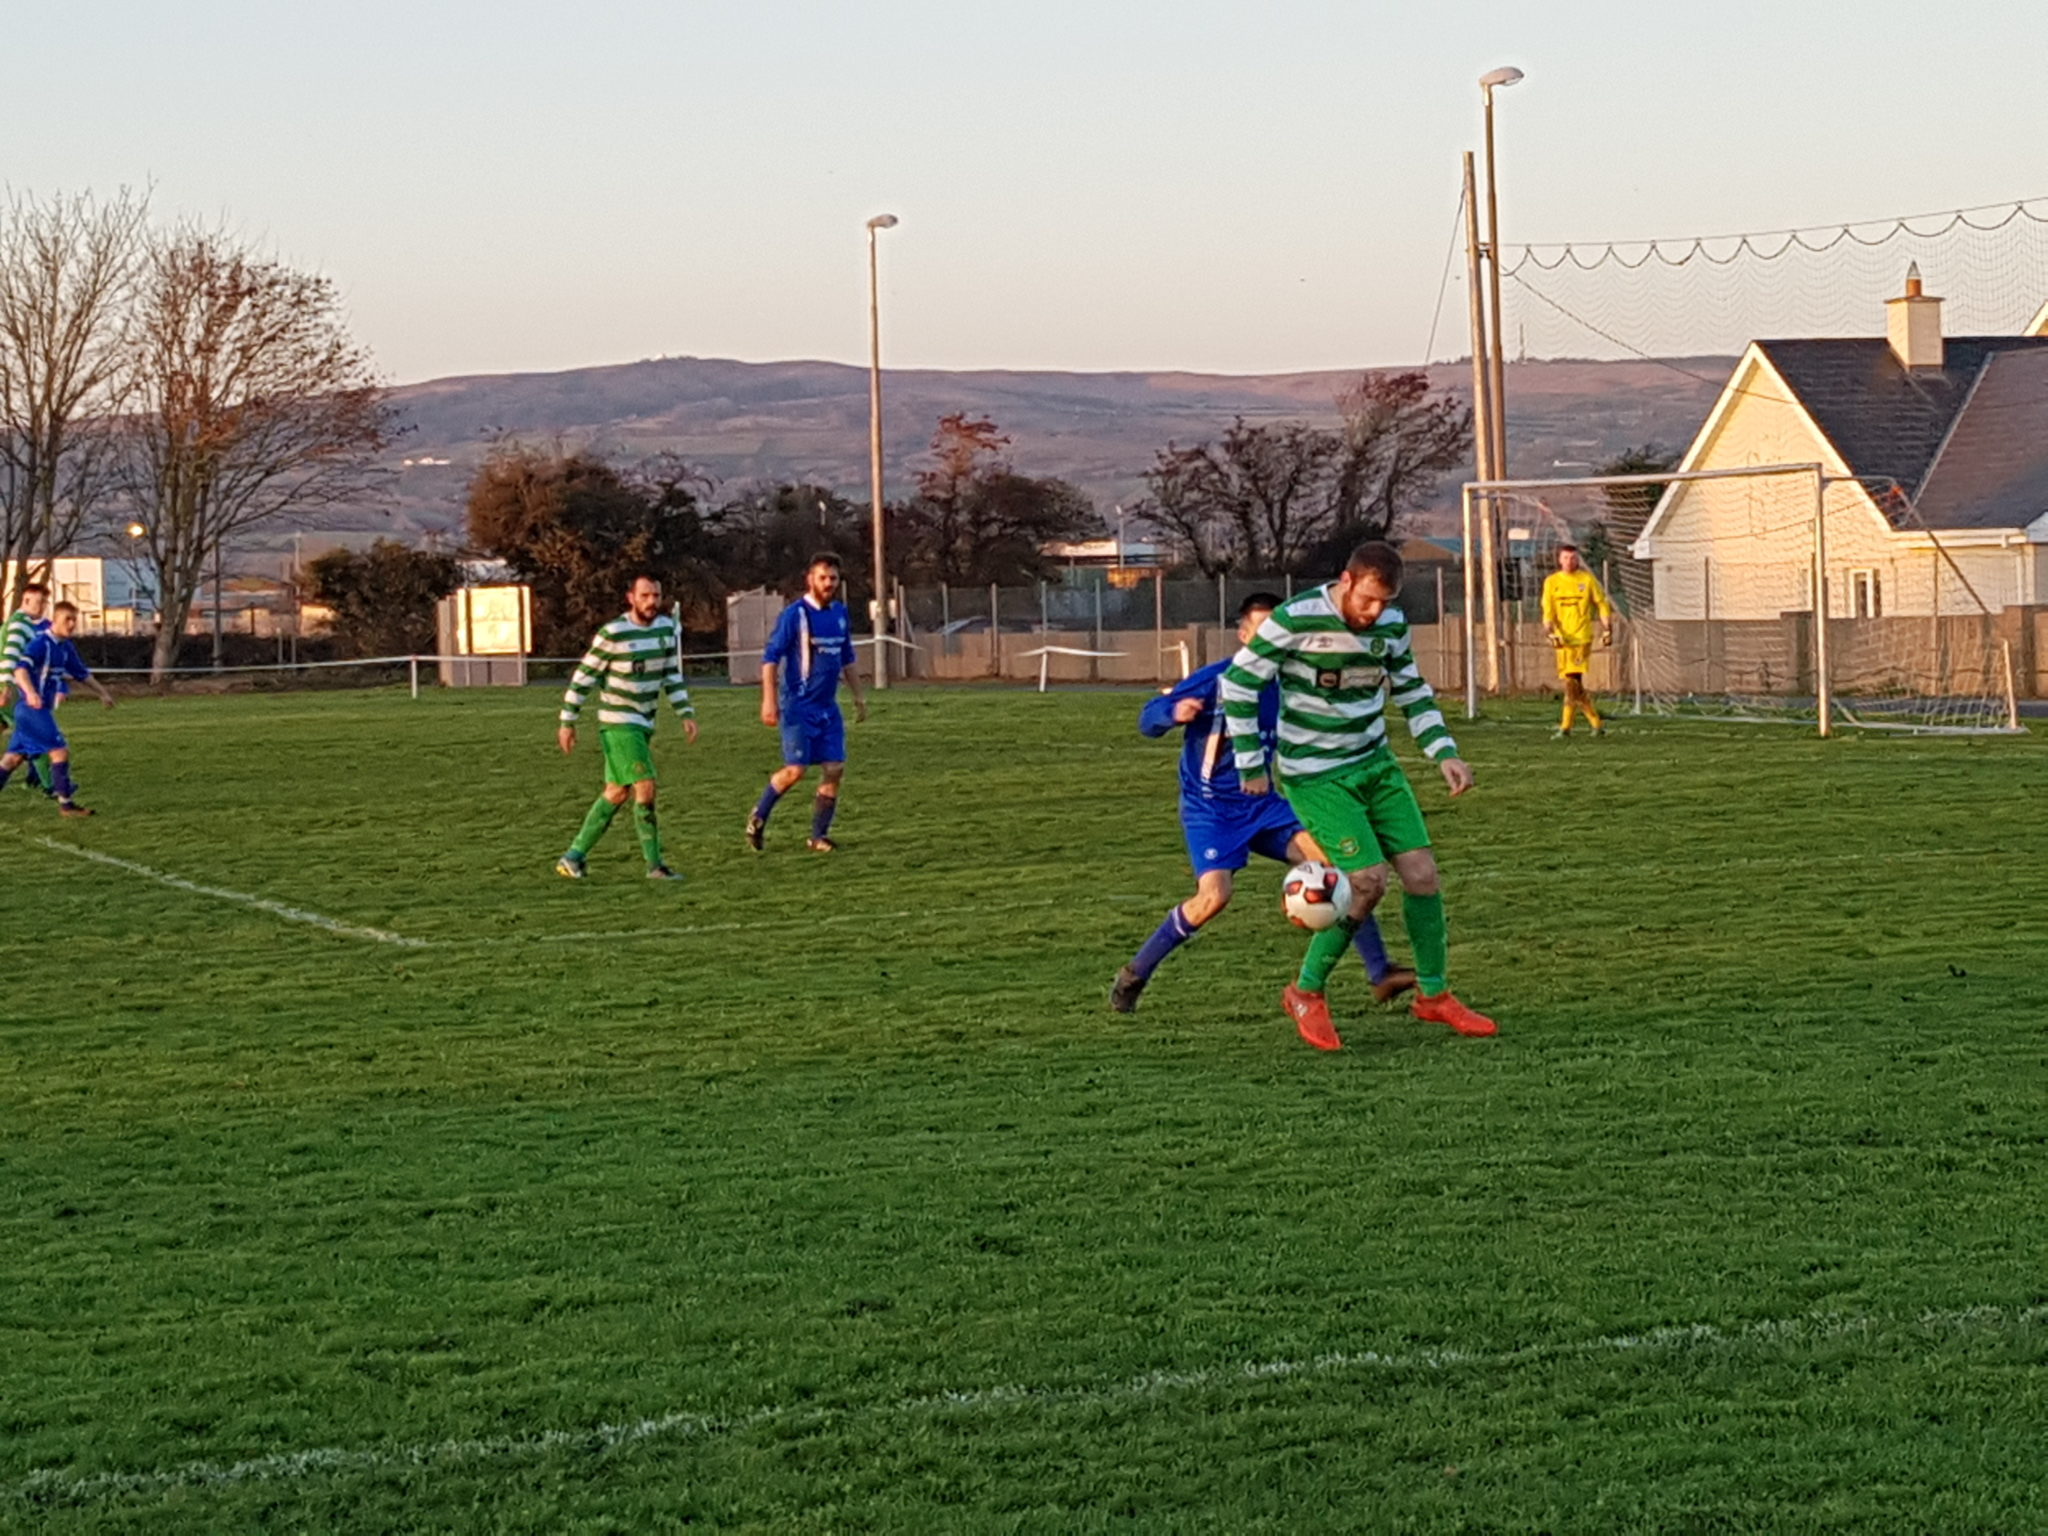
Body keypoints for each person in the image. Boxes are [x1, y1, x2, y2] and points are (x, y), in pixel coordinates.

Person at [1220, 540, 1497, 1051]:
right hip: (1317, 776)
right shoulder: (1295, 618)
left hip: (1376, 765)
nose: (1374, 613)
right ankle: (1305, 991)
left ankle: (1433, 996)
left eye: (1384, 603)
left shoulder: (1391, 625)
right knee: (1366, 883)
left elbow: (1413, 692)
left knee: (1422, 874)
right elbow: (1237, 684)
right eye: (1367, 600)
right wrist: (1250, 763)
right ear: (1346, 581)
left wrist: (1445, 753)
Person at [1112, 592, 1415, 1014]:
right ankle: (1135, 974)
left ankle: (1380, 972)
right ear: (1243, 635)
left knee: (1340, 869)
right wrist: (1172, 712)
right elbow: (1149, 717)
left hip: (1264, 805)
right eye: (1262, 629)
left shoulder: (1288, 684)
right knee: (1213, 897)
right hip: (1212, 810)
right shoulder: (1218, 679)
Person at [555, 574, 697, 881]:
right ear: (630, 598)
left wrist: (685, 711)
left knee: (616, 793)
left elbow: (671, 674)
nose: (651, 602)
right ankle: (655, 866)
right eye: (645, 596)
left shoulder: (665, 630)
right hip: (619, 722)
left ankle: (573, 857)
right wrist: (568, 720)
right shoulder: (614, 633)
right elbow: (584, 676)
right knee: (645, 786)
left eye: (656, 596)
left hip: (644, 722)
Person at [746, 552, 867, 853]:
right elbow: (770, 659)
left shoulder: (839, 614)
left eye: (833, 578)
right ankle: (759, 816)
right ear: (810, 579)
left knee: (835, 768)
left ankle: (818, 836)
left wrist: (858, 697)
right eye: (823, 577)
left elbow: (847, 659)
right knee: (795, 771)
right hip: (799, 707)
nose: (828, 583)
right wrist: (768, 701)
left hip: (828, 708)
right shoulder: (795, 615)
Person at [1, 600, 114, 816]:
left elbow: (82, 673)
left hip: (35, 710)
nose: (71, 624)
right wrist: (31, 693)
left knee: (13, 758)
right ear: (55, 619)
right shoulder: (41, 643)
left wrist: (103, 693)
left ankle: (66, 802)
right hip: (32, 709)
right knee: (59, 751)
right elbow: (20, 670)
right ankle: (66, 805)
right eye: (67, 619)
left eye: (74, 620)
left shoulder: (65, 647)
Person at [1541, 543, 1615, 737]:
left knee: (1572, 682)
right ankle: (1596, 725)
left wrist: (1607, 627)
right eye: (1565, 558)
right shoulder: (1552, 582)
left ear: (1578, 559)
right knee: (1573, 685)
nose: (1569, 561)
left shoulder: (1587, 580)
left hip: (1581, 638)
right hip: (1562, 640)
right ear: (1559, 559)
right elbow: (1548, 612)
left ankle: (1566, 727)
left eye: (1573, 558)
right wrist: (1550, 632)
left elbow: (1601, 603)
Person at [1, 582, 55, 797]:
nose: (41, 607)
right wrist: (5, 687)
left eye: (44, 603)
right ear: (25, 600)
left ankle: (38, 781)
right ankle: (50, 787)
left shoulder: (21, 624)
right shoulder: (19, 625)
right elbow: (10, 657)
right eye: (38, 602)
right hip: (12, 688)